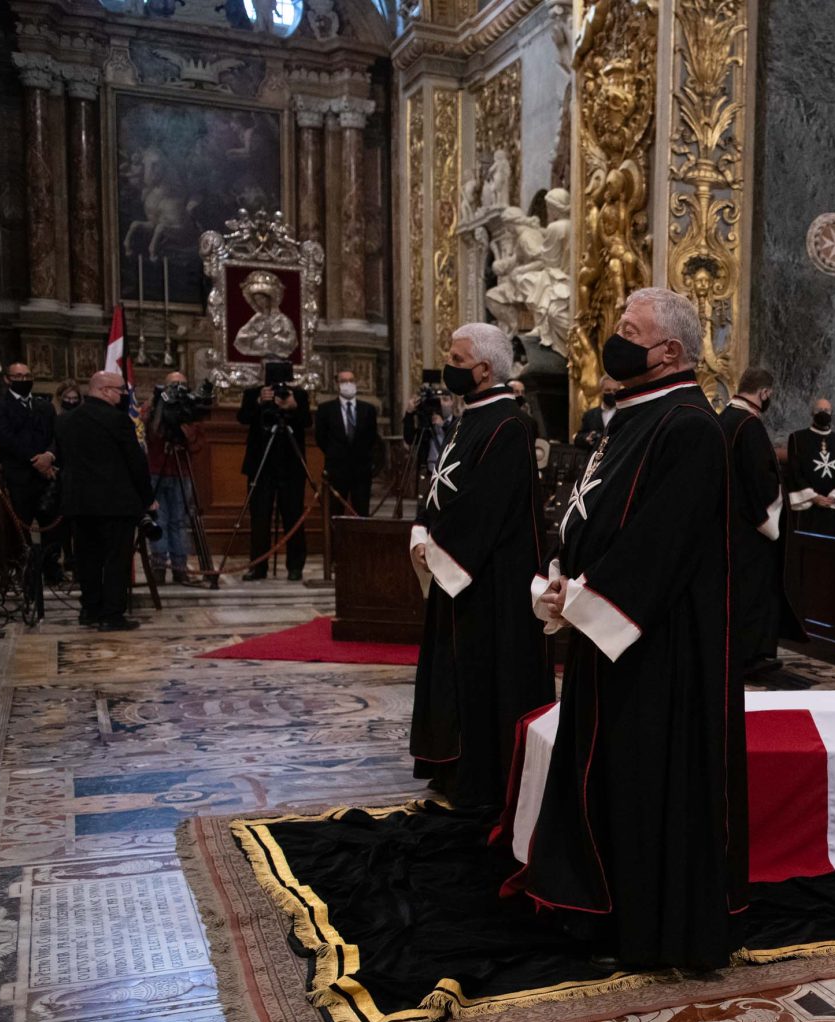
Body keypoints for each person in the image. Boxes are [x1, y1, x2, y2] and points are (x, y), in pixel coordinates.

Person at [525, 286, 741, 966]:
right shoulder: (630, 416)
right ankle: (592, 901)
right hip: (606, 633)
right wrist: (562, 569)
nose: (615, 337)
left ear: (670, 350)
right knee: (600, 770)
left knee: (644, 782)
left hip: (659, 650)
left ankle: (644, 922)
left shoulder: (690, 427)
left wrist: (587, 595)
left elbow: (659, 547)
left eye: (629, 328)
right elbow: (590, 513)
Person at [408, 322, 554, 810]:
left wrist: (440, 546)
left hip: (491, 577)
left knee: (484, 674)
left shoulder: (509, 424)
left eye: (456, 356)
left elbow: (484, 506)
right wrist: (423, 527)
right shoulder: (468, 416)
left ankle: (480, 776)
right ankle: (447, 765)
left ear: (485, 369)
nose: (448, 363)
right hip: (460, 565)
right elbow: (442, 485)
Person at [54, 370, 152, 632]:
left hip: (79, 502)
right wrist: (147, 498)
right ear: (105, 390)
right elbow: (136, 462)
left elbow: (63, 461)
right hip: (115, 503)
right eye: (121, 391)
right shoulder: (117, 421)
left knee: (86, 559)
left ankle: (90, 609)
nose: (123, 396)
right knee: (115, 560)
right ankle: (112, 615)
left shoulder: (65, 421)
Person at [721, 366, 790, 677]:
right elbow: (761, 479)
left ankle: (733, 651)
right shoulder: (749, 425)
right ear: (764, 393)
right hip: (750, 527)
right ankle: (752, 655)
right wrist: (770, 519)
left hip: (726, 523)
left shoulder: (723, 419)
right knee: (753, 589)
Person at [0, 361, 62, 597]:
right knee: (21, 527)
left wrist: (49, 456)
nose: (23, 379)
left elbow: (55, 436)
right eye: (18, 376)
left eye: (27, 375)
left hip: (47, 476)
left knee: (53, 526)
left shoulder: (45, 407)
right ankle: (26, 574)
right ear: (7, 379)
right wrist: (36, 461)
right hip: (19, 476)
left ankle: (52, 571)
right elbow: (6, 439)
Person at [237, 373, 311, 581]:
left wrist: (293, 407)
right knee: (259, 518)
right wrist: (260, 402)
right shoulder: (253, 393)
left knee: (293, 516)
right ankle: (258, 567)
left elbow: (307, 422)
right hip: (261, 466)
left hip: (291, 467)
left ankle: (295, 566)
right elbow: (243, 418)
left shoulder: (298, 395)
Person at [145, 372, 204, 584]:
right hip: (157, 469)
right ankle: (159, 566)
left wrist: (184, 429)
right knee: (159, 519)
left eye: (182, 385)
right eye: (173, 385)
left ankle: (180, 568)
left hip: (181, 471)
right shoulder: (154, 405)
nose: (178, 389)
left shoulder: (189, 408)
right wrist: (157, 405)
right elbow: (149, 434)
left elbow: (197, 444)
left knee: (179, 521)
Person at [314, 368, 381, 518]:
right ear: (337, 384)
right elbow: (321, 438)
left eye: (351, 380)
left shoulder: (368, 410)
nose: (348, 384)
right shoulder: (326, 409)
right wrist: (335, 453)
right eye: (344, 381)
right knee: (335, 512)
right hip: (336, 469)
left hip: (361, 470)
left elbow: (372, 438)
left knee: (361, 511)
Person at [784, 396, 835, 537]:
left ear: (832, 413)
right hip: (806, 509)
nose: (823, 412)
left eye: (827, 410)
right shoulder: (797, 439)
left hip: (833, 509)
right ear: (812, 413)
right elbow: (794, 472)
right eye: (819, 410)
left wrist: (833, 497)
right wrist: (814, 497)